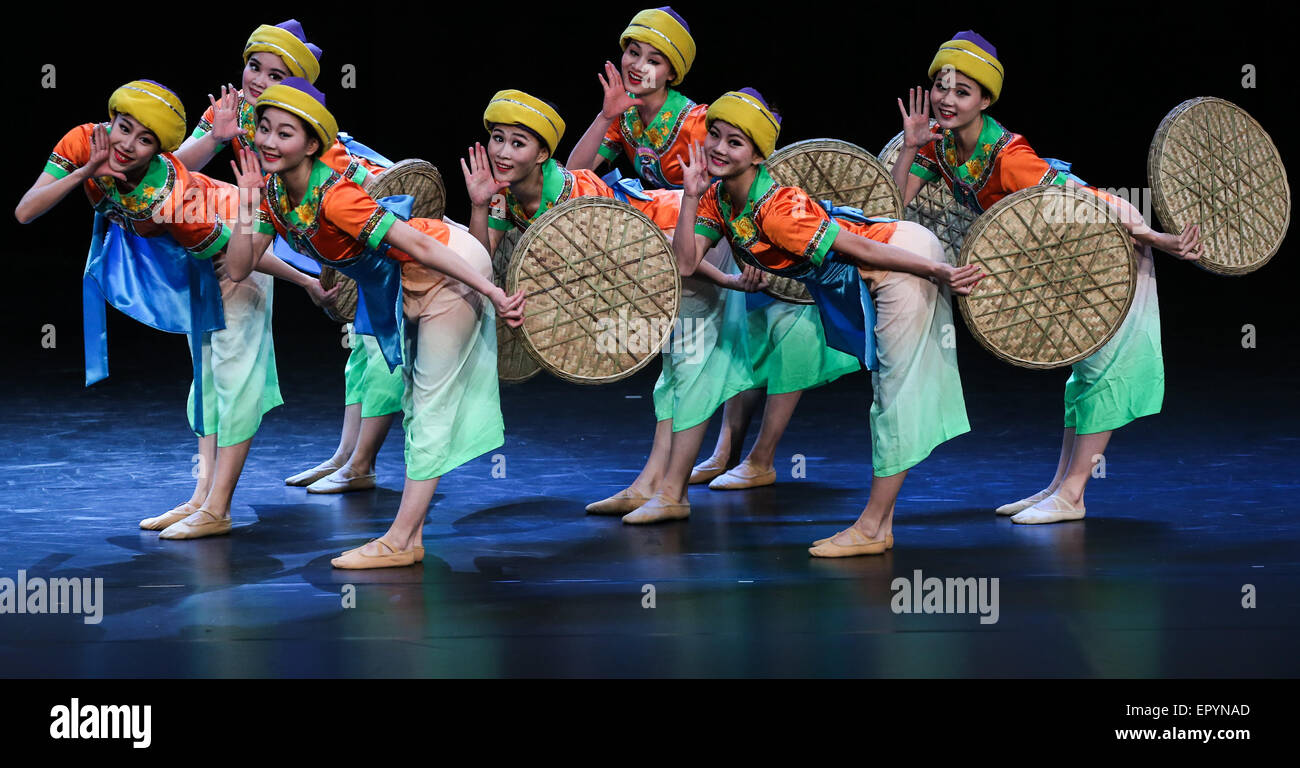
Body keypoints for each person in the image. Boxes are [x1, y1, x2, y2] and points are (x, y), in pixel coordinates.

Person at [890, 30, 1202, 524]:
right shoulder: (940, 146)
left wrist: (1155, 237)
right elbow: (891, 208)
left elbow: (1081, 204)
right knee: (1081, 371)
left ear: (986, 100)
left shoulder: (1009, 156)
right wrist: (909, 147)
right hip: (1062, 249)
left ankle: (1075, 494)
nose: (947, 100)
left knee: (1104, 366)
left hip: (1105, 238)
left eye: (962, 91)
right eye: (941, 86)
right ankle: (1060, 487)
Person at [225, 78, 525, 568]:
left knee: (429, 402)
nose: (268, 141)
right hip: (404, 282)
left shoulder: (339, 197)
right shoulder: (271, 192)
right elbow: (239, 267)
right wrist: (244, 201)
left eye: (285, 133)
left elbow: (421, 244)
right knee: (412, 397)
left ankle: (403, 540)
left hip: (449, 265)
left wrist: (491, 290)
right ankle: (404, 532)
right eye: (263, 128)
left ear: (312, 144)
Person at [674, 88, 983, 555]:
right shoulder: (718, 199)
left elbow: (860, 248)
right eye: (714, 135)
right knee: (889, 386)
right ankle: (877, 525)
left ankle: (874, 528)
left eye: (734, 142)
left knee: (895, 391)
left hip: (899, 258)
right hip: (875, 270)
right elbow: (684, 263)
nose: (718, 148)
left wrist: (938, 270)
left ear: (758, 155)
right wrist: (690, 198)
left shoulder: (778, 210)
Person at [16, 79, 291, 540]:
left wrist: (308, 284)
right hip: (195, 263)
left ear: (159, 151)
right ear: (111, 119)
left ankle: (218, 508)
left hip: (232, 246)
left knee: (233, 380)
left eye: (145, 140)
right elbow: (26, 212)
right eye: (124, 128)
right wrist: (85, 171)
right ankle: (200, 498)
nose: (126, 145)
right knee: (205, 382)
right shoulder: (84, 142)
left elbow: (241, 258)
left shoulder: (169, 201)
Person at [175, 19, 405, 496]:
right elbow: (174, 172)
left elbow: (349, 202)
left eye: (276, 76)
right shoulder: (231, 111)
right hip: (289, 218)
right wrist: (216, 137)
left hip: (369, 216)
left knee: (377, 339)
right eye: (254, 66)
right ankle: (345, 455)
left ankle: (360, 463)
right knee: (356, 345)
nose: (259, 80)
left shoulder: (311, 139)